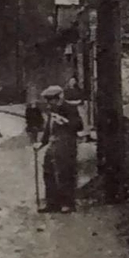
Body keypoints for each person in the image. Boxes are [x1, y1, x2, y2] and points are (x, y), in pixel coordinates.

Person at [38, 85, 84, 213]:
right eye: (47, 100)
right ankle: (52, 203)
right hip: (53, 144)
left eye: (51, 99)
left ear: (59, 98)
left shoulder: (69, 108)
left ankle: (67, 203)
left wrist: (64, 121)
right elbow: (49, 128)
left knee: (65, 173)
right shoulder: (52, 110)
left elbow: (79, 126)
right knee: (48, 172)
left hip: (66, 145)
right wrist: (42, 143)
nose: (48, 103)